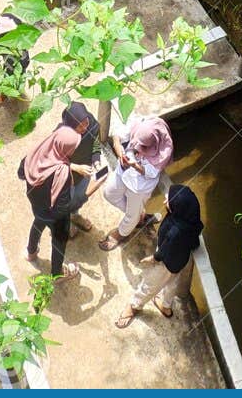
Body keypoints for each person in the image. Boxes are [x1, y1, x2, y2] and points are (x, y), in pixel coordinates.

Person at [20, 102, 107, 281]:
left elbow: (22, 173)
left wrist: (94, 160)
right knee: (59, 241)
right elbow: (67, 204)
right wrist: (94, 185)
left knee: (38, 223)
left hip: (39, 207)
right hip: (56, 213)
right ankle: (57, 274)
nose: (84, 128)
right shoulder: (63, 177)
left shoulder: (36, 156)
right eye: (73, 148)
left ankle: (31, 252)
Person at [115, 183, 203, 327]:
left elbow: (165, 250)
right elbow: (192, 243)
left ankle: (134, 306)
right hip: (179, 261)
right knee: (172, 284)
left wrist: (154, 258)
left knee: (149, 284)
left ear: (177, 207)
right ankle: (166, 306)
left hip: (165, 263)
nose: (164, 201)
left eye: (169, 201)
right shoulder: (191, 221)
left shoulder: (175, 231)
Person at [99, 113, 173, 251]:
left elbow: (151, 172)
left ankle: (121, 233)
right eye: (136, 142)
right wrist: (118, 147)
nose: (137, 147)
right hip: (123, 171)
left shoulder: (163, 151)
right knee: (109, 193)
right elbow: (117, 132)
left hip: (140, 186)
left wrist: (135, 165)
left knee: (132, 215)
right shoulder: (140, 124)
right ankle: (140, 216)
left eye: (143, 146)